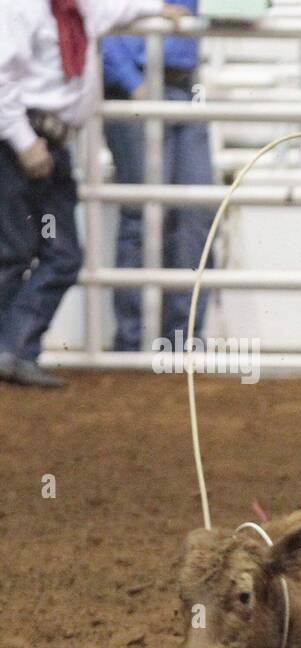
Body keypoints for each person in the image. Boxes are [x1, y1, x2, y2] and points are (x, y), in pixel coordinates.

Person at [0, 0, 187, 388]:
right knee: (24, 251)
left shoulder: (80, 9)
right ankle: (14, 349)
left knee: (51, 252)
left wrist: (160, 7)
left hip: (46, 147)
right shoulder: (23, 9)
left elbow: (120, 9)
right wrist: (23, 141)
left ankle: (12, 349)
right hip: (24, 145)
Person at [102, 0, 212, 353]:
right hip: (138, 78)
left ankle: (181, 340)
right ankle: (133, 342)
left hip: (181, 82)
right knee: (145, 213)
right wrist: (130, 79)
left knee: (195, 211)